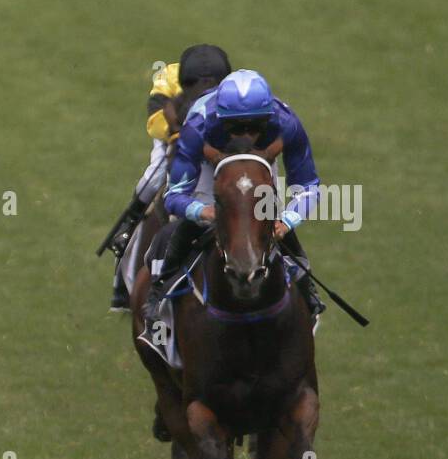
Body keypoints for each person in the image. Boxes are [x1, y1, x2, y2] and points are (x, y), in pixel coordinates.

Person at [145, 68, 326, 319]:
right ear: (219, 118)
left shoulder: (287, 122)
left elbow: (308, 186)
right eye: (235, 126)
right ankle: (161, 287)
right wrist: (201, 211)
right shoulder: (197, 125)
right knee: (195, 222)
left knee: (266, 216)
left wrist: (286, 221)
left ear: (268, 118)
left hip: (260, 162)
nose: (245, 135)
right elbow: (175, 195)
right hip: (209, 163)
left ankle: (306, 285)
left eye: (255, 127)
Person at [106, 45, 231, 310]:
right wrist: (181, 135)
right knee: (151, 181)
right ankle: (127, 234)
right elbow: (155, 121)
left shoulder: (231, 88)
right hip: (171, 140)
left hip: (211, 142)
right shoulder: (168, 77)